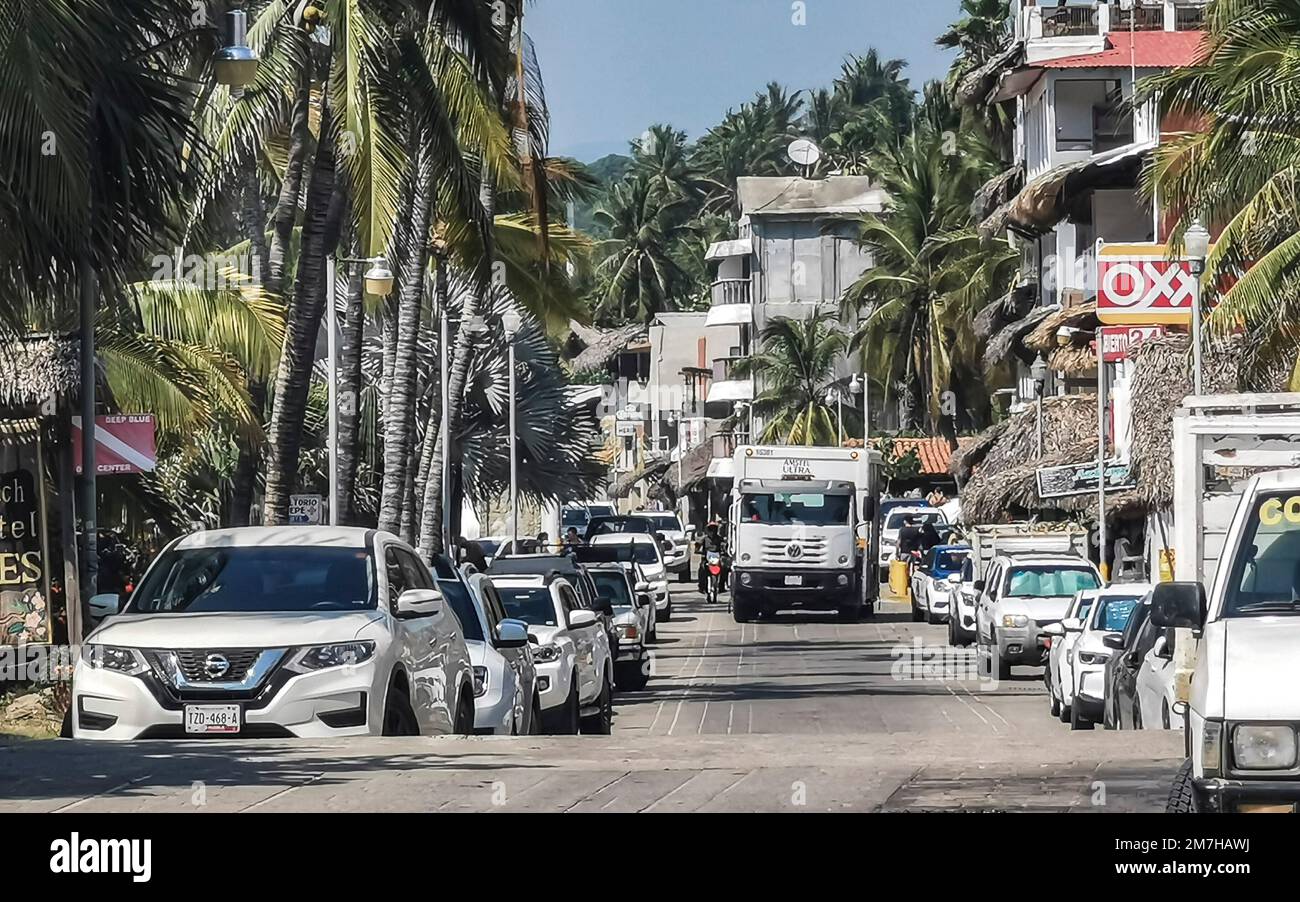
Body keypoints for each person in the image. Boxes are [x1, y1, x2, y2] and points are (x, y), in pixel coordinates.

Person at [697, 521, 729, 594]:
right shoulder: (704, 539)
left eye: (714, 529)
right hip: (706, 558)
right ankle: (702, 587)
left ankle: (721, 587)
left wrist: (724, 550)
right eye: (710, 529)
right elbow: (697, 545)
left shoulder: (719, 539)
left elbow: (724, 546)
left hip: (717, 558)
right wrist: (698, 550)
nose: (712, 531)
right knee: (702, 569)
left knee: (724, 568)